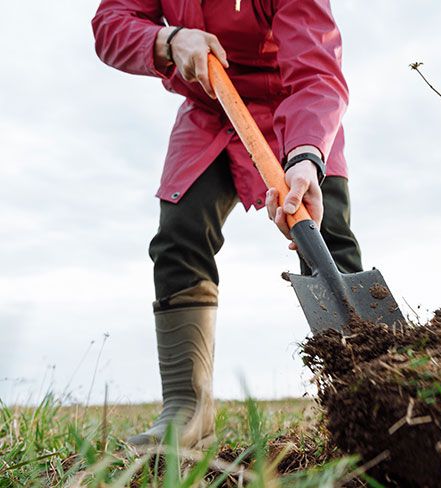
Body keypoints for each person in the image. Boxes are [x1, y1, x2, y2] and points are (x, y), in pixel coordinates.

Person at [91, 0, 362, 448]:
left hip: (293, 110)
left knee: (327, 239)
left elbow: (316, 71)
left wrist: (306, 155)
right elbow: (110, 24)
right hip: (209, 108)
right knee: (179, 236)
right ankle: (187, 412)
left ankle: (364, 397)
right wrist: (167, 39)